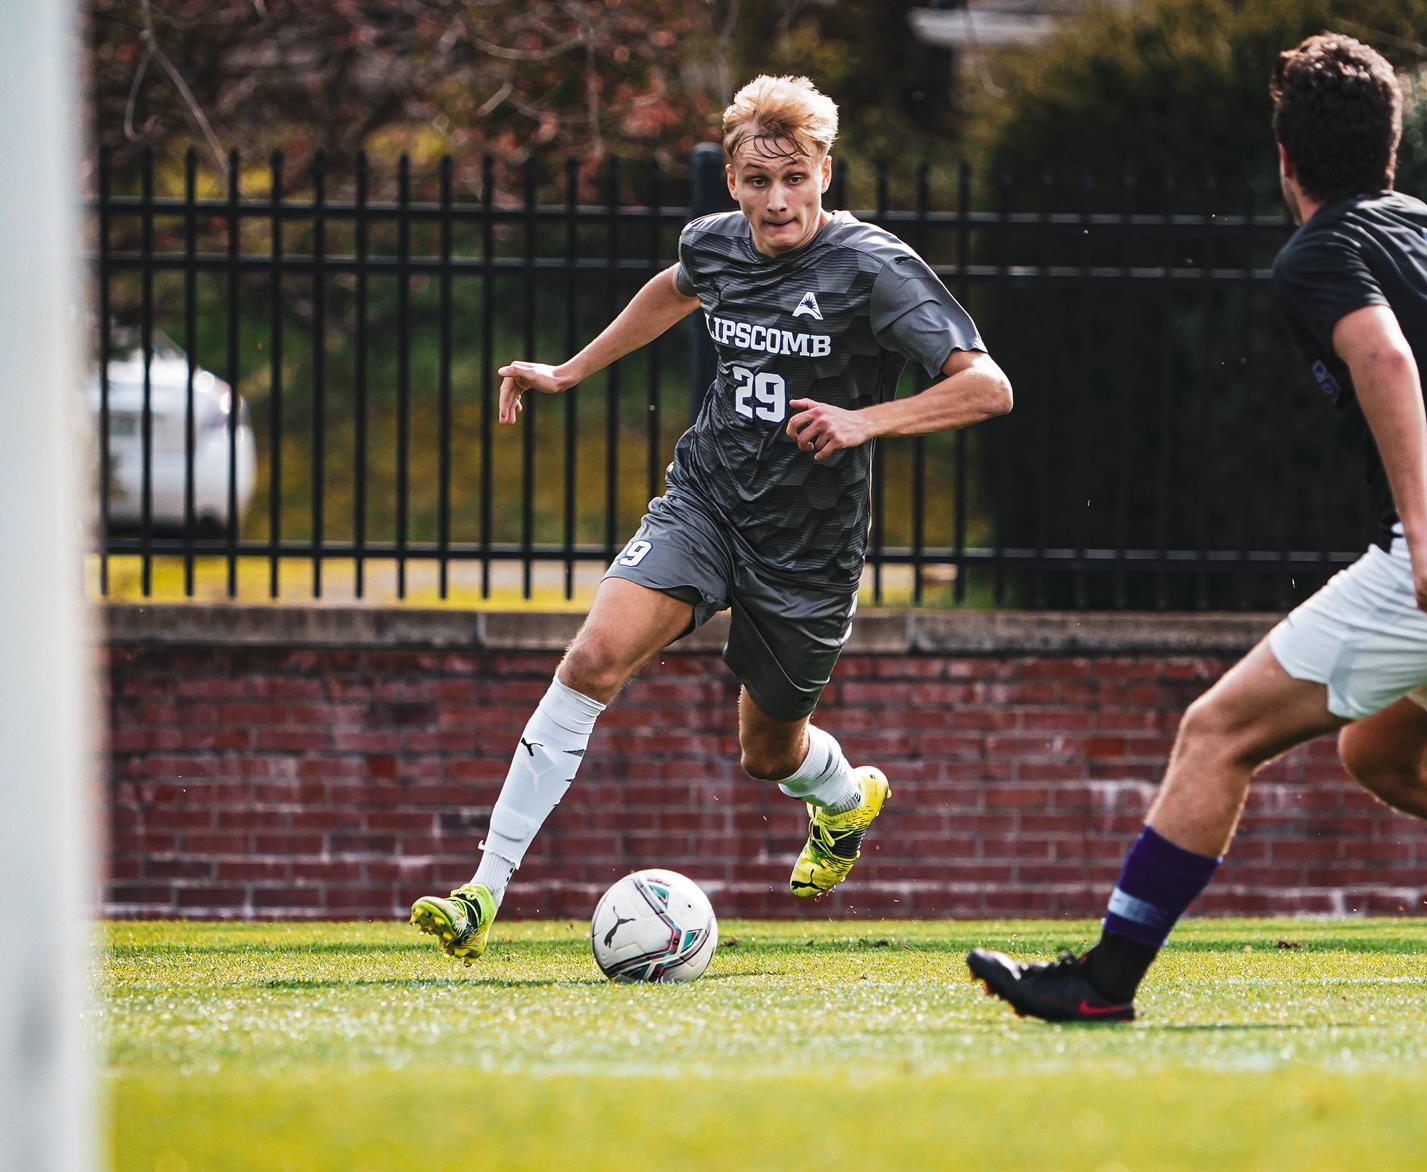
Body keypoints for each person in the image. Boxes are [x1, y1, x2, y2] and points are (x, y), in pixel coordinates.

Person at [967, 33, 1427, 1024]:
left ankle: (1103, 981)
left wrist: (1420, 536)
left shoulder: (1321, 250)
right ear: (1390, 149)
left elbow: (1385, 360)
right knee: (1382, 754)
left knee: (1215, 732)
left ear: (1285, 158)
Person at [413, 74, 1012, 962]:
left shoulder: (875, 267)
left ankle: (844, 800)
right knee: (591, 659)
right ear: (732, 181)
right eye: (758, 181)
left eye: (796, 178)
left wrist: (864, 421)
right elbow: (674, 287)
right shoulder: (716, 243)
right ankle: (481, 894)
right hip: (705, 502)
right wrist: (569, 371)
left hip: (808, 549)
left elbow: (988, 387)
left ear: (824, 173)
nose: (778, 201)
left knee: (767, 754)